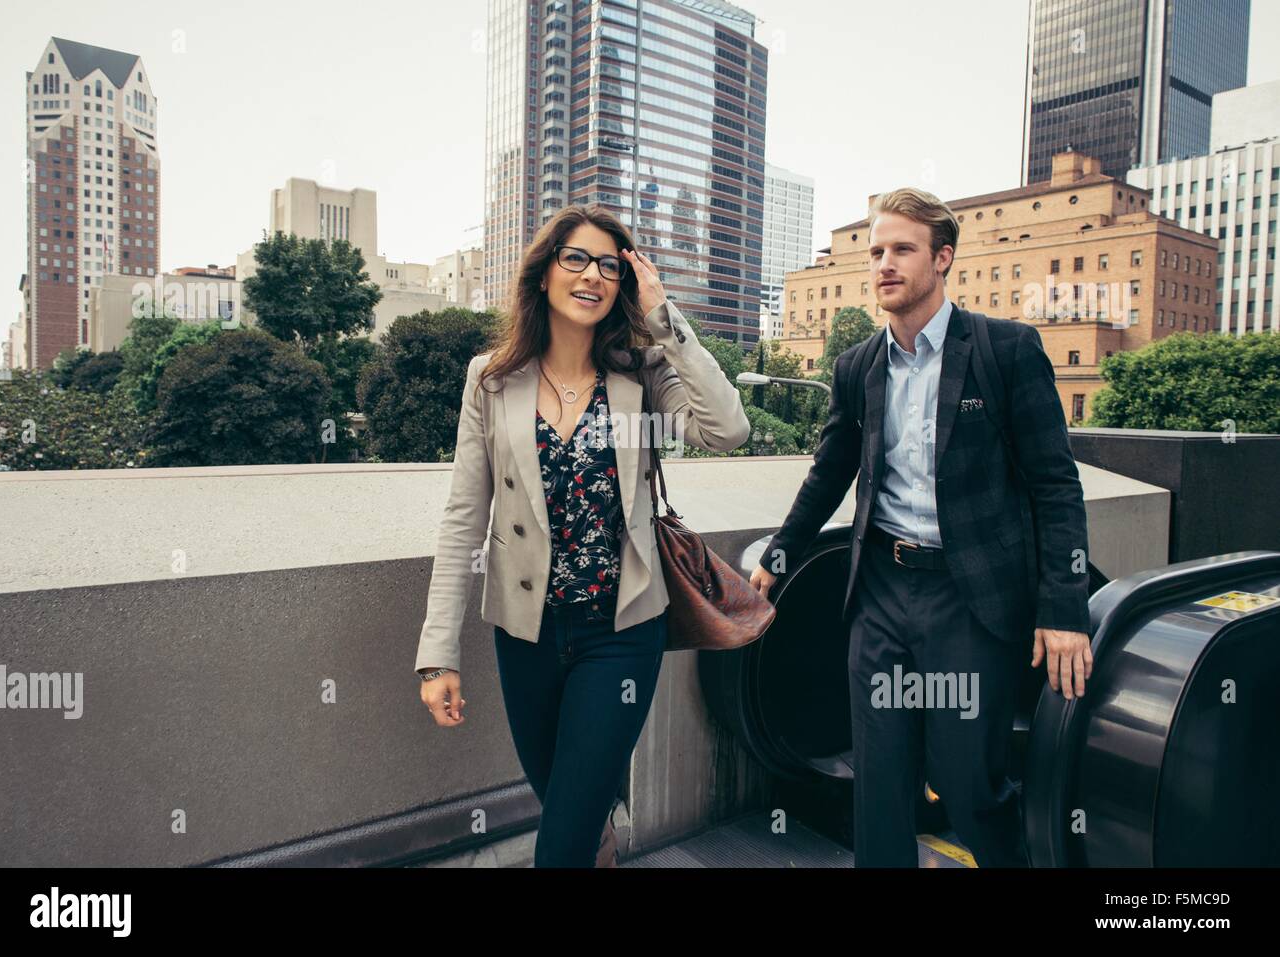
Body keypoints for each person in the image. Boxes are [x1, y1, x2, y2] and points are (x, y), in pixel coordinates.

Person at [749, 187, 1093, 867]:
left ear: (943, 259)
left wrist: (1065, 608)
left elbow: (1056, 486)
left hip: (970, 601)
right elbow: (829, 472)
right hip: (880, 589)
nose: (884, 263)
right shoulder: (857, 368)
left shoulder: (1006, 350)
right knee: (878, 786)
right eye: (876, 250)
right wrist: (780, 556)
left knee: (969, 783)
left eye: (902, 249)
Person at [415, 203, 750, 867]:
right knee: (571, 806)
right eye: (575, 258)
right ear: (544, 274)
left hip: (621, 631)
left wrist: (666, 320)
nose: (591, 274)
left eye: (608, 264)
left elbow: (728, 431)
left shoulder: (642, 374)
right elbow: (463, 515)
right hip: (524, 633)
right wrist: (438, 652)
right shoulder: (491, 378)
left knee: (560, 841)